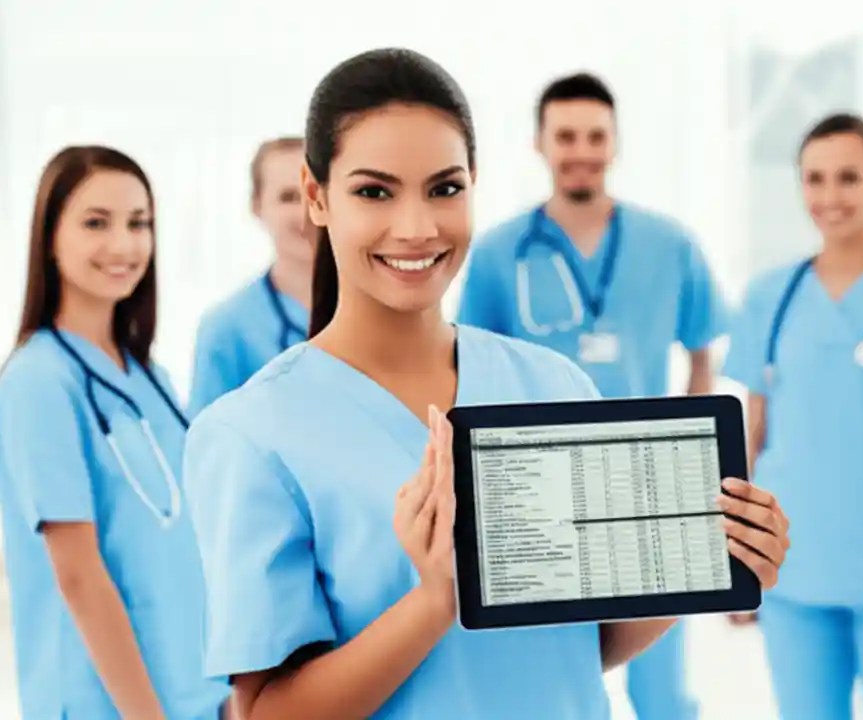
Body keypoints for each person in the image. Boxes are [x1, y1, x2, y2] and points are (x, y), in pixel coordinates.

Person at [181, 48, 790, 720]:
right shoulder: (254, 434)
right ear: (317, 195)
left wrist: (712, 562)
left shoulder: (553, 386)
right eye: (374, 191)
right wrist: (435, 600)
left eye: (444, 188)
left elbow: (578, 646)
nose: (416, 228)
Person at [454, 71, 727, 720]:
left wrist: (689, 462)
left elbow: (700, 353)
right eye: (566, 135)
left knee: (662, 682)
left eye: (595, 135)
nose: (582, 149)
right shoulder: (498, 252)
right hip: (537, 497)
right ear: (539, 144)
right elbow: (470, 372)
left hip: (647, 492)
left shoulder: (671, 244)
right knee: (554, 672)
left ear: (616, 143)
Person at [722, 114, 863, 720]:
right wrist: (736, 562)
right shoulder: (770, 296)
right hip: (793, 563)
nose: (830, 197)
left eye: (848, 177)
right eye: (815, 179)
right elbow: (753, 431)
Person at [0, 146, 229, 719]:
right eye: (96, 223)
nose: (123, 245)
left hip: (193, 696)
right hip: (111, 705)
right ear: (50, 236)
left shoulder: (148, 376)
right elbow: (78, 574)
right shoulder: (39, 381)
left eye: (138, 223)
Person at [188, 136, 314, 415]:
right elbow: (207, 449)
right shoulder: (226, 327)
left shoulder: (384, 313)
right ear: (257, 205)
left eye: (316, 193)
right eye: (288, 197)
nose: (306, 212)